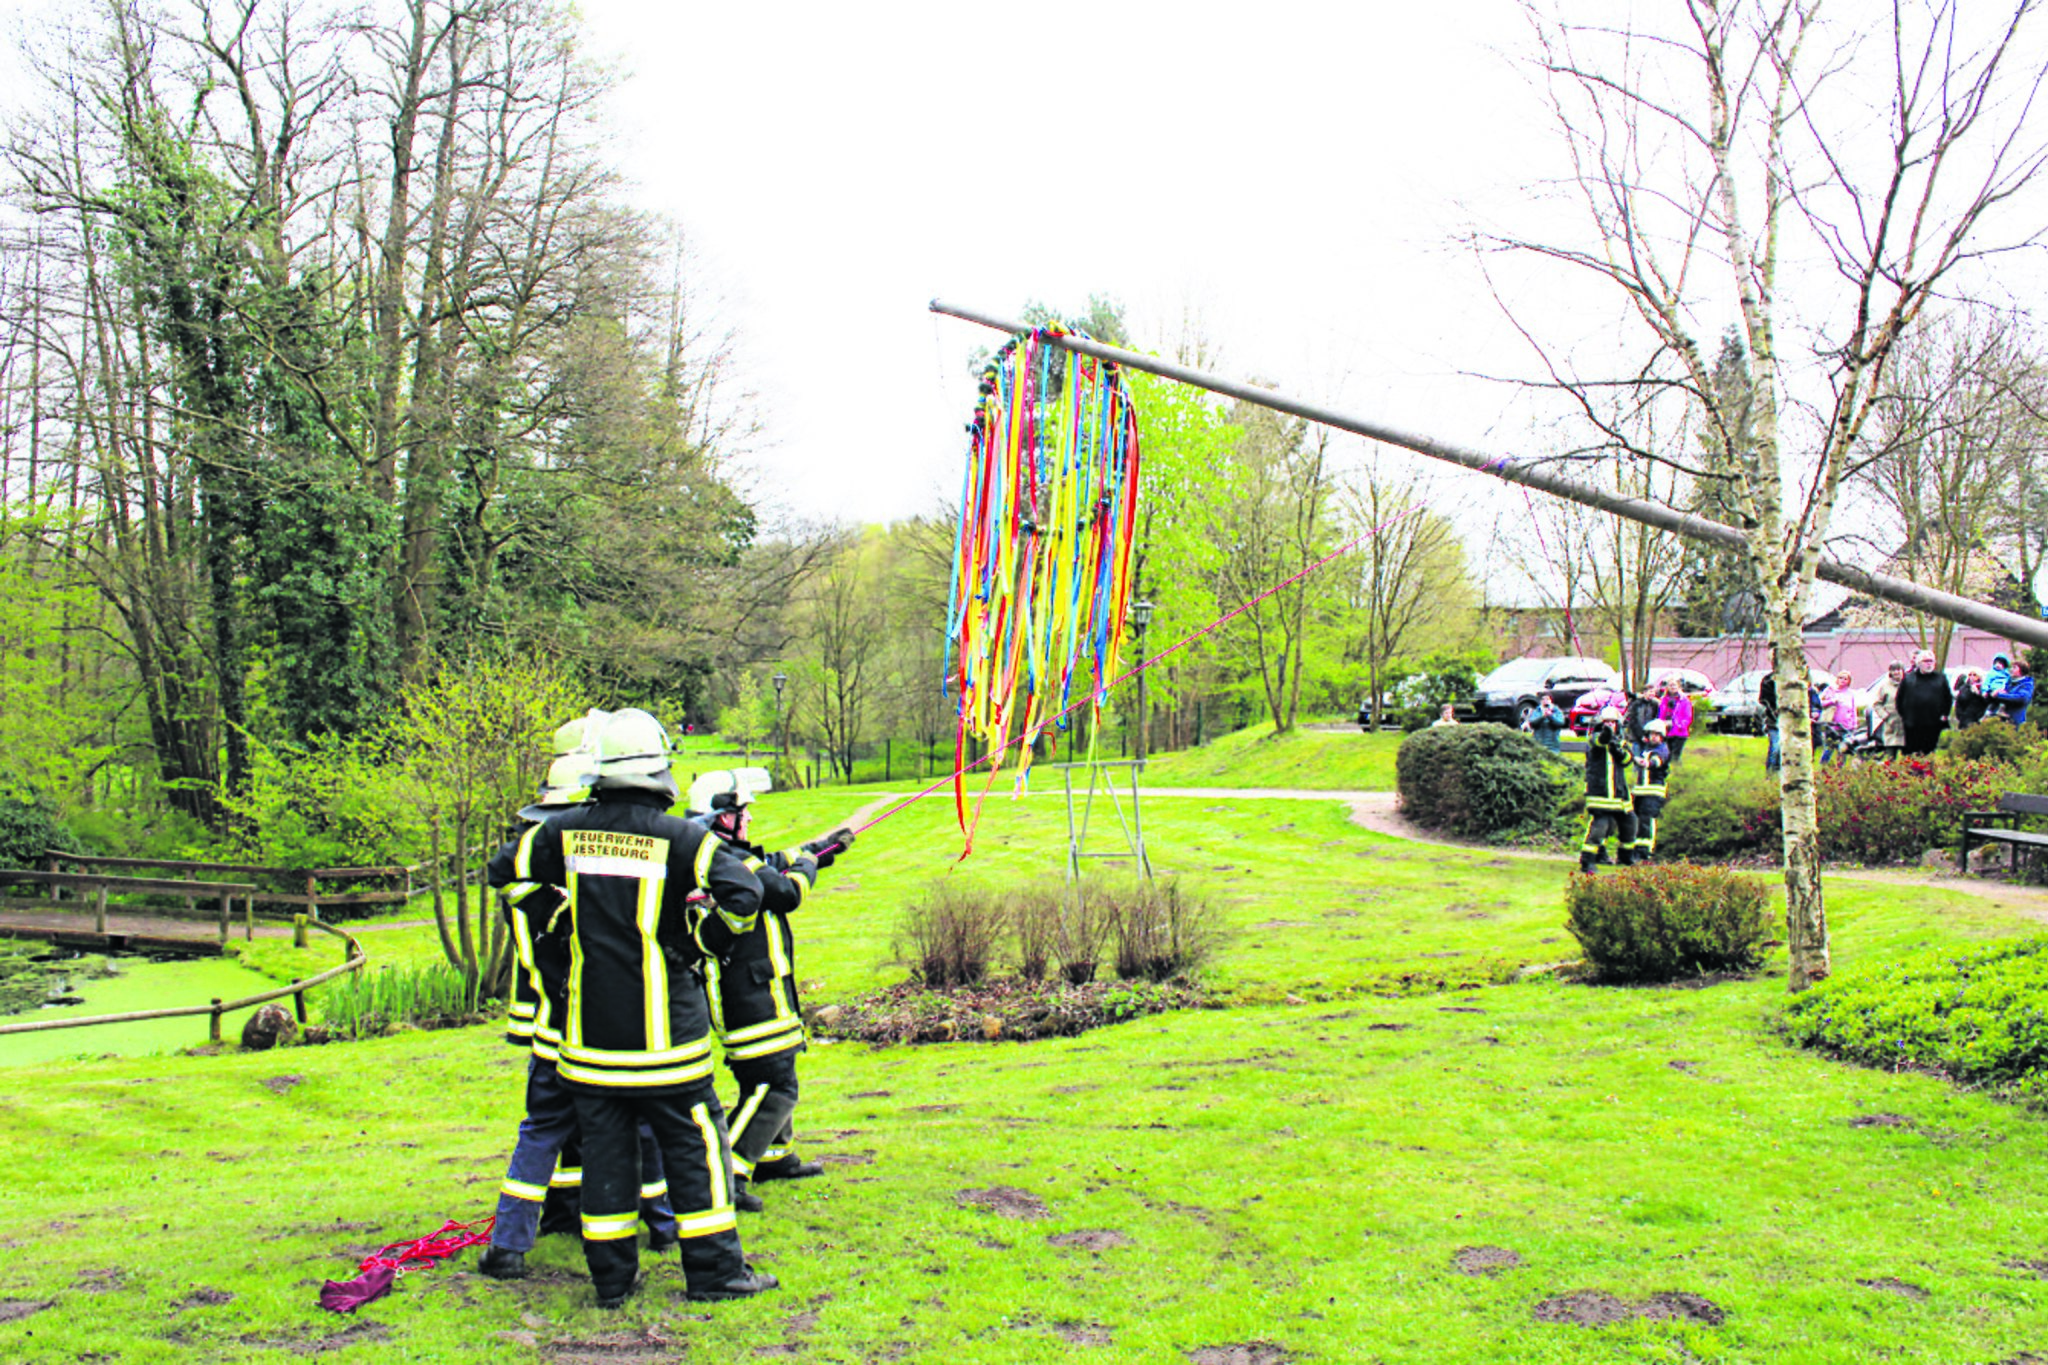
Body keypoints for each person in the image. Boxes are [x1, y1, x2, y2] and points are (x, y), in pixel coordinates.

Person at [488, 708, 776, 1307]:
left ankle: (612, 1282)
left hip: (589, 1047)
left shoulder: (562, 832)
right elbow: (745, 894)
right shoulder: (684, 838)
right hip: (670, 1045)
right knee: (698, 1153)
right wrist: (704, 938)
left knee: (605, 1162)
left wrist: (558, 919)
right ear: (659, 772)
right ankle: (716, 1273)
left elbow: (504, 874)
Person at [478, 754, 679, 1281]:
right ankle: (661, 1225)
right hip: (596, 1034)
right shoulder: (584, 874)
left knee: (542, 1133)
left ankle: (509, 1244)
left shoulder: (529, 878)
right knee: (643, 1126)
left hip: (549, 1032)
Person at [688, 770, 853, 1214]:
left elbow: (774, 861)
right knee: (773, 1083)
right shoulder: (725, 858)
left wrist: (820, 850)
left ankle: (775, 1157)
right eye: (742, 813)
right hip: (744, 992)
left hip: (759, 986)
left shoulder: (727, 853)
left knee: (771, 1075)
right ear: (721, 817)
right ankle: (730, 1173)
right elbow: (783, 891)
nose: (748, 821)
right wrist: (808, 868)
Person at [1578, 706, 1636, 873]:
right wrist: (1607, 737)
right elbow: (1600, 741)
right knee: (1601, 825)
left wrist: (1617, 749)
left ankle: (1625, 857)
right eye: (1606, 722)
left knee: (1630, 822)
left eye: (1612, 722)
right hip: (1600, 791)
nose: (1610, 725)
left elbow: (1626, 760)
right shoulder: (1595, 738)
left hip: (1619, 792)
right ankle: (1587, 860)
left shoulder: (1621, 741)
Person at [1894, 650, 1953, 757]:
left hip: (1933, 723)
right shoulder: (1908, 679)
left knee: (1929, 752)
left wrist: (1945, 714)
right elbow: (1900, 699)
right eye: (1926, 661)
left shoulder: (1941, 679)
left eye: (1931, 661)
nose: (1929, 664)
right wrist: (1905, 717)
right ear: (1919, 663)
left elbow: (1947, 698)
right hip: (1913, 724)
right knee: (1912, 752)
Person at [1631, 718, 1672, 860]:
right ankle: (1636, 849)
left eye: (1656, 734)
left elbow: (1656, 762)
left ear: (1662, 736)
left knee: (1647, 821)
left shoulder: (1662, 750)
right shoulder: (1646, 749)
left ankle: (1645, 851)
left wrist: (1644, 762)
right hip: (1641, 790)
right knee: (1637, 821)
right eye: (1651, 734)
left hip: (1654, 791)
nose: (1653, 737)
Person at [1818, 672, 1858, 764]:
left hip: (1846, 726)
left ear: (1849, 681)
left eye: (1845, 679)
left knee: (1843, 749)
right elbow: (1820, 702)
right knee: (1829, 747)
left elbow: (1853, 709)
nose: (1842, 680)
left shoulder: (1850, 694)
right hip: (1832, 725)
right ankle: (1823, 766)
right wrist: (1832, 701)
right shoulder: (1830, 690)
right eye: (1841, 678)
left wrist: (1854, 724)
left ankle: (1839, 770)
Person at [1867, 661, 1905, 758]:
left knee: (1908, 759)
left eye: (1898, 669)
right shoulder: (1885, 686)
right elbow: (1877, 704)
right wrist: (1885, 716)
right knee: (1890, 757)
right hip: (1891, 726)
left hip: (1906, 727)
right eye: (1894, 670)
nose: (1896, 672)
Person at [1657, 678, 1695, 763]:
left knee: (1675, 755)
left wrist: (1679, 725)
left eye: (1674, 685)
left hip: (1679, 731)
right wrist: (1662, 724)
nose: (1673, 687)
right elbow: (1661, 714)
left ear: (1678, 686)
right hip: (1666, 730)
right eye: (1671, 685)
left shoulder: (1684, 701)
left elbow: (1687, 716)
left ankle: (1677, 772)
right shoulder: (1664, 700)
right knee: (1667, 754)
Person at [1990, 659, 2035, 726]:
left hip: (2014, 722)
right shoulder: (2009, 682)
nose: (2011, 669)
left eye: (2014, 667)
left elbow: (2021, 698)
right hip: (2000, 720)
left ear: (2022, 670)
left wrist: (1999, 695)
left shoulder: (2027, 685)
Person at [1758, 670, 1781, 772]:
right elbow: (1763, 700)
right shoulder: (1768, 680)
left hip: (1785, 721)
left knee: (1781, 748)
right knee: (1775, 747)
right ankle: (1771, 770)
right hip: (1773, 720)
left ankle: (1778, 769)